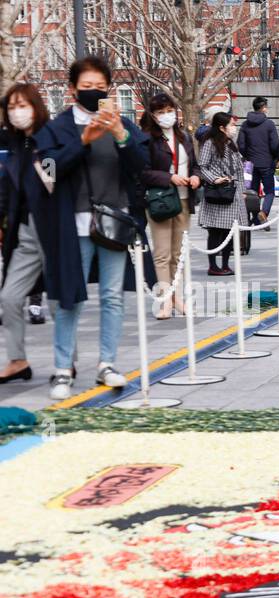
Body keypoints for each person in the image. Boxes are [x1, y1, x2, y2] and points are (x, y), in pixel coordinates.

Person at [34, 55, 149, 401]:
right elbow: (49, 172)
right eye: (86, 87)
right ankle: (62, 367)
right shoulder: (57, 127)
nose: (93, 92)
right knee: (71, 297)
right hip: (73, 225)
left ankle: (107, 363)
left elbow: (140, 168)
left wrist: (121, 137)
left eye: (100, 87)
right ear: (72, 90)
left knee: (113, 297)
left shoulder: (122, 122)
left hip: (114, 223)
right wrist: (82, 140)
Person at [0, 83, 52, 385]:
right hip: (24, 230)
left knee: (60, 300)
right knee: (9, 297)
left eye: (23, 105)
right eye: (12, 107)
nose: (17, 112)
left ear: (35, 106)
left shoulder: (50, 139)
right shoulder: (14, 144)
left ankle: (65, 363)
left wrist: (43, 167)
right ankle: (17, 360)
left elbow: (53, 182)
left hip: (52, 227)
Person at [138, 92, 198, 321]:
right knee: (162, 254)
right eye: (161, 112)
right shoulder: (148, 139)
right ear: (153, 115)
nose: (166, 115)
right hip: (161, 200)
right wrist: (169, 178)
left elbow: (196, 165)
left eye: (169, 110)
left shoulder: (183, 137)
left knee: (179, 254)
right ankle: (164, 300)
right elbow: (143, 172)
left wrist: (195, 177)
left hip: (184, 199)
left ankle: (178, 298)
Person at [195, 112, 244, 278]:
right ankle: (213, 265)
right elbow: (202, 166)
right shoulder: (209, 143)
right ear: (222, 127)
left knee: (229, 231)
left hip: (232, 191)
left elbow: (239, 169)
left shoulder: (231, 143)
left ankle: (224, 264)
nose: (234, 128)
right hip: (217, 192)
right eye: (231, 125)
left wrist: (242, 190)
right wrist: (214, 179)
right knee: (215, 231)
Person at [236, 96, 279, 222]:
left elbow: (241, 144)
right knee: (269, 191)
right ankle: (264, 212)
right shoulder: (269, 124)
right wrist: (273, 156)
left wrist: (248, 156)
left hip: (250, 163)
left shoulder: (245, 124)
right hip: (266, 162)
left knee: (252, 192)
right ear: (264, 107)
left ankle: (255, 217)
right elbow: (275, 144)